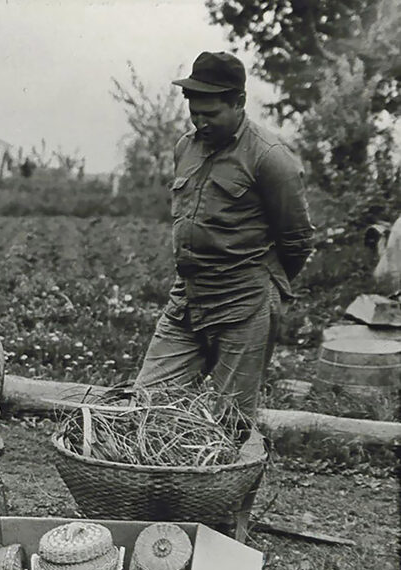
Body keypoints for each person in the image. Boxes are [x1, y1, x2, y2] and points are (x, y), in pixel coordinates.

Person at [133, 51, 315, 417]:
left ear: (239, 103)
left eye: (211, 114)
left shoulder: (270, 158)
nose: (200, 123)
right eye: (194, 112)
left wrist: (257, 284)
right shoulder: (185, 147)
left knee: (230, 422)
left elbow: (297, 241)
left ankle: (239, 476)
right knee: (146, 407)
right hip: (187, 302)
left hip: (243, 307)